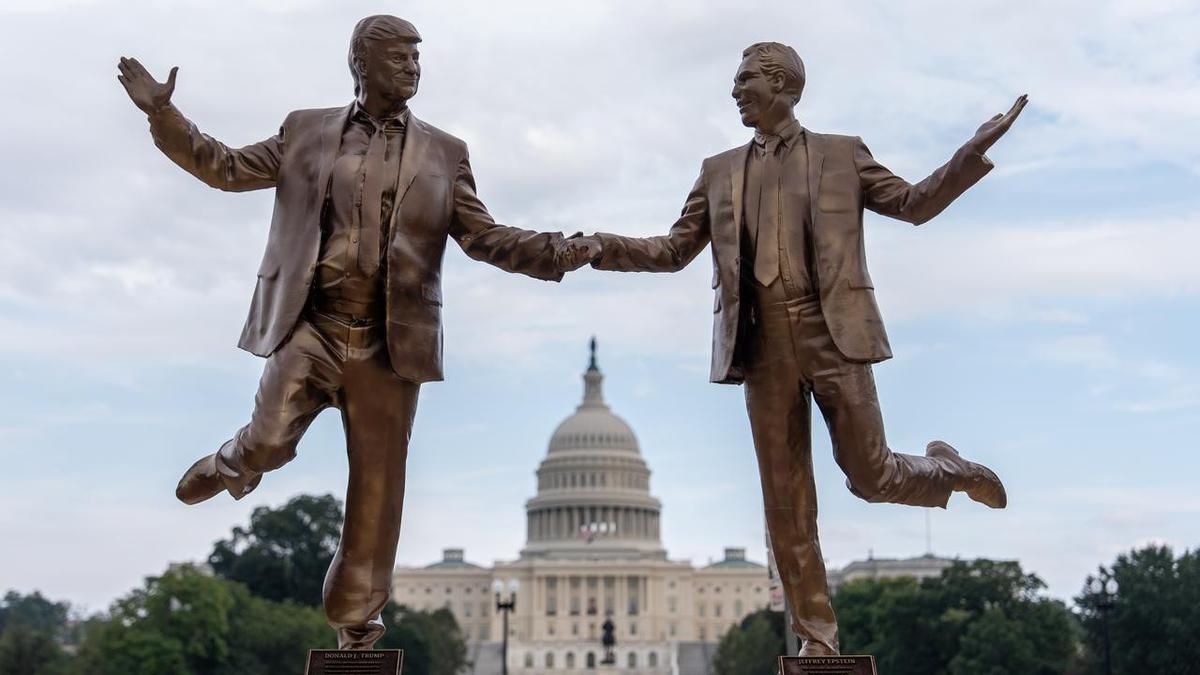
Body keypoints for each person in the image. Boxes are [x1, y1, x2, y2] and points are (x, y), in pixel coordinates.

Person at [117, 15, 571, 649]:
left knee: (378, 492)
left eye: (419, 56)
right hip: (312, 326)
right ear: (362, 62)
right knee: (272, 441)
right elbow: (224, 167)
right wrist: (165, 118)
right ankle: (235, 461)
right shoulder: (306, 131)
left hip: (389, 345)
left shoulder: (445, 151)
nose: (414, 67)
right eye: (401, 57)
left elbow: (484, 237)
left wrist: (556, 251)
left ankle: (357, 621)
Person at [558, 41, 1027, 655]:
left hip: (833, 333)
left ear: (782, 84)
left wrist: (969, 154)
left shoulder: (842, 154)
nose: (733, 91)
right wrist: (599, 245)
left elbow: (914, 206)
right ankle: (817, 638)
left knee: (870, 475)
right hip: (762, 345)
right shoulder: (718, 169)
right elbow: (674, 251)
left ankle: (951, 469)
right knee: (786, 501)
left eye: (744, 79)